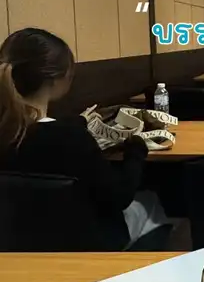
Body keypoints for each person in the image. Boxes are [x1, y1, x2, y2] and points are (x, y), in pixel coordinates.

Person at [0, 28, 168, 249]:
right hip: (86, 243)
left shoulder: (12, 132)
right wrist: (136, 149)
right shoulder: (72, 138)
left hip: (16, 245)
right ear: (56, 80)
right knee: (152, 204)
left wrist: (78, 122)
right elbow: (118, 197)